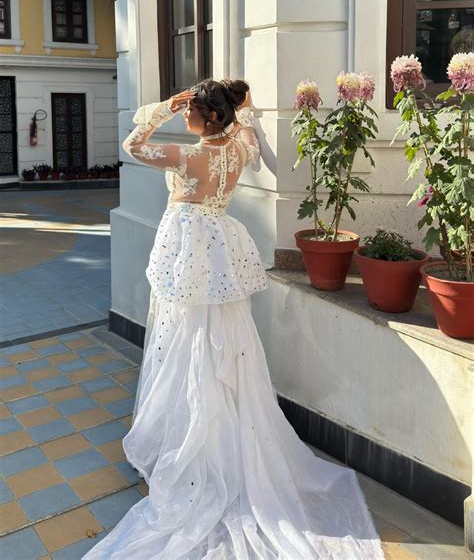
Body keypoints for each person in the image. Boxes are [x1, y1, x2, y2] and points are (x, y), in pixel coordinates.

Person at [82, 79, 383, 559]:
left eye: (191, 112)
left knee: (186, 337)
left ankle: (195, 442)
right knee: (220, 336)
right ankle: (213, 430)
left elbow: (132, 144)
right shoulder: (240, 150)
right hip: (216, 240)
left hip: (189, 245)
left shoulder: (189, 157)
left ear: (209, 117)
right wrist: (240, 110)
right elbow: (246, 134)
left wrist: (161, 108)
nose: (185, 118)